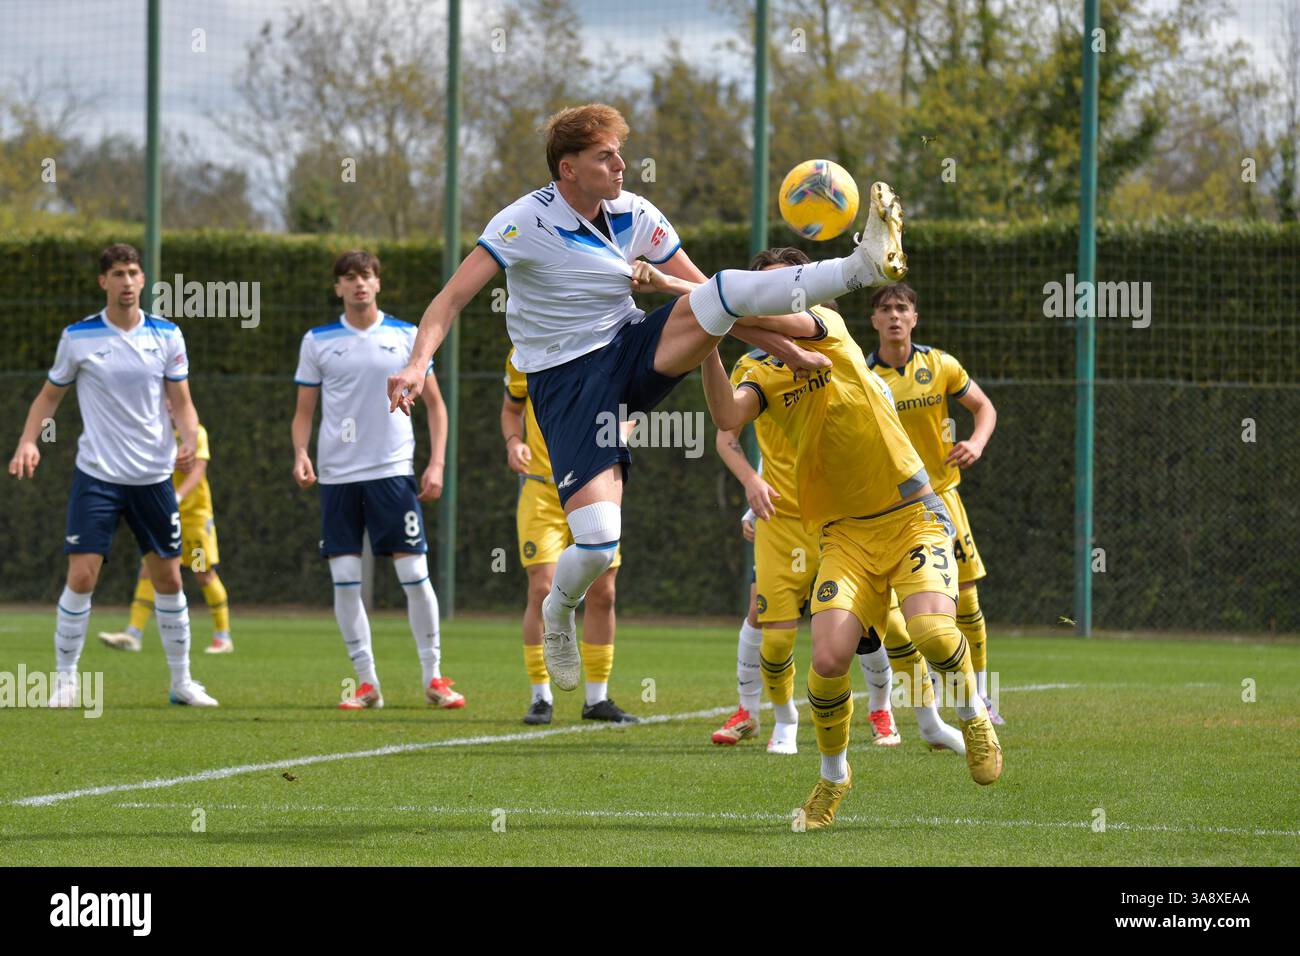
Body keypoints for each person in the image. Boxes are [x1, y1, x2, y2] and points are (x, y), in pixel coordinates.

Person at [387, 103, 907, 694]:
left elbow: (714, 297)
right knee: (599, 538)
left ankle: (861, 264)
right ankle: (559, 610)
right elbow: (450, 298)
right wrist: (415, 362)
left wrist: (781, 350)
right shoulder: (522, 221)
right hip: (567, 383)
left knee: (724, 286)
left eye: (619, 152)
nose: (620, 164)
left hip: (631, 346)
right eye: (605, 156)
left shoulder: (637, 213)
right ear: (568, 168)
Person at [698, 275, 1004, 829]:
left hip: (913, 516)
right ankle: (834, 776)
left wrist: (701, 301)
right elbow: (726, 418)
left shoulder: (830, 330)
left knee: (933, 633)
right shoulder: (761, 371)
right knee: (828, 659)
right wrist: (706, 337)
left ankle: (972, 713)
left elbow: (761, 315)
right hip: (843, 534)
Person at [7, 243, 216, 707]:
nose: (126, 281)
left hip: (153, 479)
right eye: (117, 273)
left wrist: (187, 439)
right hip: (97, 477)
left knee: (170, 580)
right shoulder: (78, 337)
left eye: (133, 273)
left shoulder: (167, 335)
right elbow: (48, 398)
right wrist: (28, 441)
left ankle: (182, 682)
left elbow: (181, 402)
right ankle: (64, 681)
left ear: (144, 281)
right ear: (104, 282)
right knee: (82, 577)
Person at [292, 250, 459, 711]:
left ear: (378, 283)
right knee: (344, 578)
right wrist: (301, 453)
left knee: (413, 573)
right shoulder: (318, 341)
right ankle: (366, 683)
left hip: (392, 472)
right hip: (339, 477)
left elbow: (437, 408)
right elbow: (304, 411)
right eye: (349, 278)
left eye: (366, 275)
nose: (359, 284)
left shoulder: (407, 335)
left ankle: (434, 677)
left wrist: (436, 463)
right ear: (338, 288)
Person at [866, 282, 1002, 722]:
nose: (893, 316)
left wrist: (977, 443)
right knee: (899, 616)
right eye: (885, 309)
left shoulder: (940, 364)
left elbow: (984, 408)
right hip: (889, 507)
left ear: (914, 318)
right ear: (873, 321)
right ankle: (917, 709)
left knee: (966, 600)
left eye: (902, 308)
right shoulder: (864, 376)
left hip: (941, 498)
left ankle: (982, 696)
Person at [501, 347, 637, 724]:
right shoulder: (522, 352)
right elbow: (511, 410)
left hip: (592, 484)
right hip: (542, 491)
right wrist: (514, 442)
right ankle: (540, 697)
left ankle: (597, 699)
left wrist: (620, 434)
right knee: (541, 588)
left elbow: (630, 409)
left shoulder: (609, 342)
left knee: (604, 592)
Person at [98, 415, 234, 654]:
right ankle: (133, 634)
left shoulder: (195, 433)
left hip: (194, 520)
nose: (169, 406)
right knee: (149, 569)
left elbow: (198, 471)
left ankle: (222, 636)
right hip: (165, 517)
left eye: (173, 402)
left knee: (202, 572)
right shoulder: (158, 435)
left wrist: (177, 497)